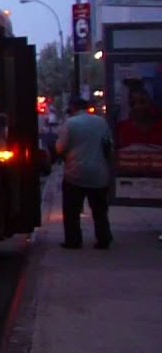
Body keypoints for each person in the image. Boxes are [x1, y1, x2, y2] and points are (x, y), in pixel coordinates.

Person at [55, 96, 114, 249]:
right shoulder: (101, 122)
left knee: (72, 210)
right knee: (99, 210)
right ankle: (103, 238)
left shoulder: (70, 123)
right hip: (99, 173)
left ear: (72, 107)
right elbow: (109, 145)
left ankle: (73, 240)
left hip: (75, 173)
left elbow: (60, 148)